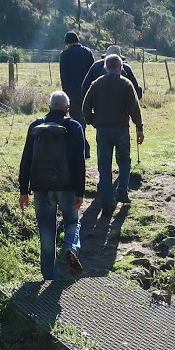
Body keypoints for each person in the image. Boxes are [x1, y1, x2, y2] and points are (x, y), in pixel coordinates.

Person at [17, 90, 87, 280]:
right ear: (67, 108)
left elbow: (26, 160)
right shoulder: (74, 126)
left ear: (49, 106)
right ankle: (71, 248)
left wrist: (24, 190)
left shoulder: (36, 125)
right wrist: (80, 191)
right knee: (72, 223)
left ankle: (49, 277)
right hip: (67, 187)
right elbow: (79, 162)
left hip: (41, 188)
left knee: (46, 232)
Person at [81, 52, 144, 217]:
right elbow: (134, 108)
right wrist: (139, 127)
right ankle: (122, 189)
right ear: (121, 67)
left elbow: (85, 106)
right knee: (124, 161)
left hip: (102, 129)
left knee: (104, 165)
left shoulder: (96, 84)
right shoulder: (126, 84)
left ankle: (107, 202)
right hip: (121, 128)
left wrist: (92, 121)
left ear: (105, 67)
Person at [78, 44, 142, 111]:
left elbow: (85, 87)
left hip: (100, 110)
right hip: (121, 111)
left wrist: (90, 106)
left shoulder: (96, 67)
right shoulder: (126, 69)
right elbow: (137, 90)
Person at [58, 31, 95, 112]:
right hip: (87, 89)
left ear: (66, 42)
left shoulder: (64, 54)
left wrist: (65, 92)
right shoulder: (87, 52)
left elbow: (63, 75)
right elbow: (93, 72)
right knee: (85, 113)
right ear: (77, 40)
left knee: (75, 116)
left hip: (72, 92)